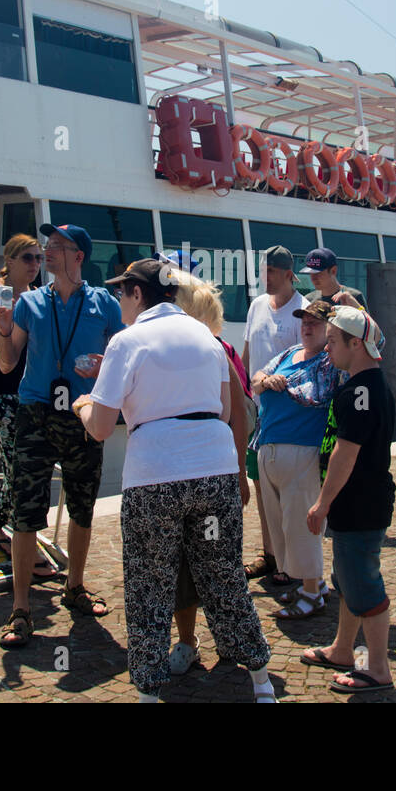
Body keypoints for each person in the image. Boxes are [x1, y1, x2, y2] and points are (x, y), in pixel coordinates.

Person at [74, 258, 275, 702]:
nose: (118, 301)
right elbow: (227, 412)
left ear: (138, 294)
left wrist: (83, 403)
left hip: (155, 478)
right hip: (214, 474)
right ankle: (261, 682)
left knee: (149, 584)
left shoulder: (127, 341)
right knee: (223, 575)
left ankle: (149, 691)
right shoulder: (208, 339)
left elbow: (102, 427)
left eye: (122, 292)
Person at [0, 222, 123, 648]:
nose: (47, 252)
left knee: (82, 504)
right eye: (47, 245)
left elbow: (121, 364)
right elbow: (8, 364)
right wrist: (3, 330)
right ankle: (21, 608)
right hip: (36, 413)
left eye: (58, 247)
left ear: (79, 257)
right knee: (26, 511)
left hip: (84, 416)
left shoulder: (105, 304)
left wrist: (103, 366)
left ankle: (75, 587)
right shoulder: (29, 302)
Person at [303, 306, 396, 693]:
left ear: (356, 344)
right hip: (356, 504)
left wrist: (322, 503)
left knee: (364, 586)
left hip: (359, 504)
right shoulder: (365, 384)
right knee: (347, 580)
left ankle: (377, 670)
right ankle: (344, 648)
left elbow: (347, 451)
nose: (327, 349)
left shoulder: (360, 389)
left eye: (333, 341)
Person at [166, 270, 253, 675]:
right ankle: (187, 641)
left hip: (211, 478)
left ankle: (227, 639)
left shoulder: (217, 351)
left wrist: (238, 474)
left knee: (217, 563)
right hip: (173, 479)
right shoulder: (166, 351)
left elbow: (240, 419)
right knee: (182, 565)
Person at [0, 234, 58, 580]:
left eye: (38, 258)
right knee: (20, 470)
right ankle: (8, 533)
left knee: (27, 469)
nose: (35, 264)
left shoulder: (37, 298)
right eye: (28, 258)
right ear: (11, 259)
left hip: (30, 396)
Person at [250, 299, 343, 617]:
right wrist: (265, 382)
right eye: (304, 321)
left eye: (315, 322)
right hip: (269, 449)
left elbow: (376, 341)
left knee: (302, 526)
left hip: (303, 451)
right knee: (282, 528)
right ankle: (308, 583)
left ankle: (313, 592)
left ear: (329, 329)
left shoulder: (331, 361)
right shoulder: (289, 354)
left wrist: (350, 306)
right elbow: (257, 378)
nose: (306, 326)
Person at [240, 244, 305, 581]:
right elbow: (249, 350)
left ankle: (291, 562)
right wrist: (244, 393)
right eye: (263, 271)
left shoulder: (302, 311)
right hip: (258, 411)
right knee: (261, 485)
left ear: (289, 275)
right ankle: (270, 554)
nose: (265, 278)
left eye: (272, 273)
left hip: (288, 415)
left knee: (288, 491)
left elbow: (308, 362)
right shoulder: (257, 305)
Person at [301, 247, 367, 308]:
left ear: (333, 271)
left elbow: (366, 320)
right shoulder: (308, 300)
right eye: (311, 273)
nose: (313, 278)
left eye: (318, 273)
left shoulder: (352, 297)